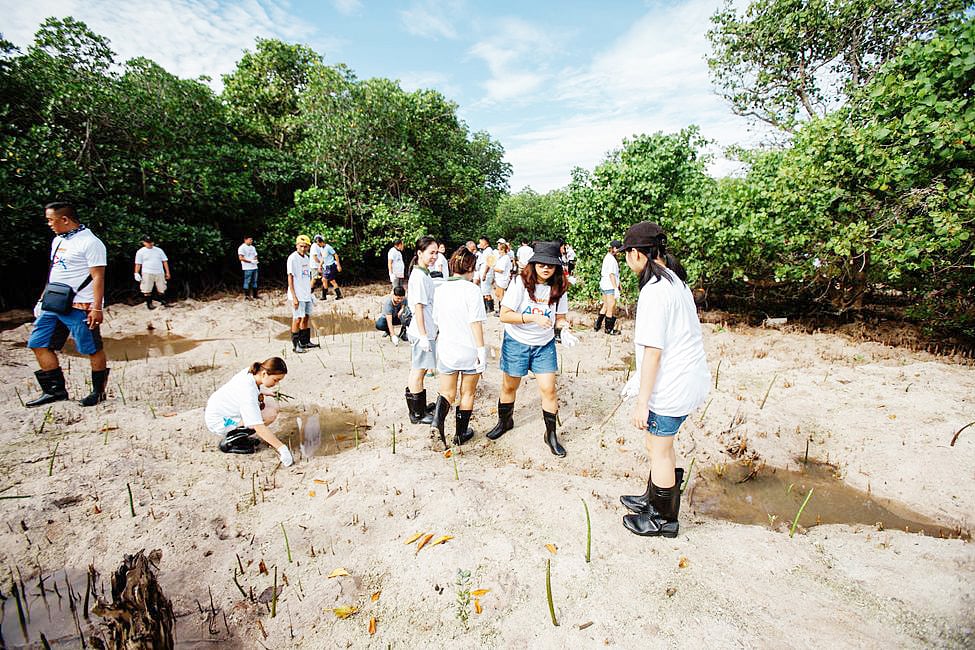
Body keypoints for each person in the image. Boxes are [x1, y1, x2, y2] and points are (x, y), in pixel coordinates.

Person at [618, 222, 709, 538]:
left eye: (626, 254)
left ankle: (663, 519)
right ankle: (653, 498)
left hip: (671, 385)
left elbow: (653, 351)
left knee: (658, 449)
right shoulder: (675, 280)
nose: (627, 260)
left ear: (636, 254)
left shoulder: (654, 292)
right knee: (660, 445)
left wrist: (642, 402)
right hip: (687, 379)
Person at [483, 241, 578, 457]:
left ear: (556, 267)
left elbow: (560, 317)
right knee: (510, 386)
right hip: (517, 341)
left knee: (549, 389)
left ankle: (551, 435)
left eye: (550, 265)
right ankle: (504, 422)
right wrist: (532, 318)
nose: (545, 268)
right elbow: (505, 315)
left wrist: (564, 328)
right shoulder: (520, 283)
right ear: (533, 264)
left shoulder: (560, 287)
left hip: (543, 345)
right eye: (541, 264)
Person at [26, 202, 109, 408]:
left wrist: (97, 307)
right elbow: (54, 273)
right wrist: (42, 299)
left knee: (91, 348)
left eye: (50, 220)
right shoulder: (58, 241)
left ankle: (97, 392)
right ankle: (55, 391)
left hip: (80, 304)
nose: (49, 224)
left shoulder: (91, 242)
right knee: (38, 343)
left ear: (64, 219)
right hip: (53, 303)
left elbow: (98, 277)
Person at [429, 246, 487, 449]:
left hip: (447, 349)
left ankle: (437, 424)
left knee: (447, 392)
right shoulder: (472, 290)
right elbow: (475, 322)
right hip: (469, 350)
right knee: (467, 393)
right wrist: (482, 351)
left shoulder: (440, 290)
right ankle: (460, 434)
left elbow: (436, 320)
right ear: (470, 268)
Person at [204, 357, 295, 467]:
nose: (276, 384)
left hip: (223, 410)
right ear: (264, 373)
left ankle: (240, 436)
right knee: (269, 415)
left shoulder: (252, 371)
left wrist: (262, 391)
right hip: (221, 421)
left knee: (271, 407)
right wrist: (282, 448)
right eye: (275, 380)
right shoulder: (248, 393)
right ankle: (231, 441)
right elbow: (258, 426)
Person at [403, 236, 440, 425]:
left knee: (421, 369)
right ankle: (417, 414)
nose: (434, 256)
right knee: (418, 370)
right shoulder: (418, 276)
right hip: (421, 331)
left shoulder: (425, 274)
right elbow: (418, 307)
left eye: (436, 253)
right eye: (431, 252)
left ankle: (420, 407)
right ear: (419, 253)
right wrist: (424, 336)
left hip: (426, 329)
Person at [287, 235, 319, 354]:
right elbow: (290, 278)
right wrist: (294, 297)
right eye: (301, 246)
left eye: (305, 246)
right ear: (296, 246)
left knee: (306, 317)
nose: (303, 248)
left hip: (306, 293)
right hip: (297, 294)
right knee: (297, 318)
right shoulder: (292, 258)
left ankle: (305, 341)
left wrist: (310, 292)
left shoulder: (307, 258)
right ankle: (296, 345)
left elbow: (307, 276)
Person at [134, 235, 170, 309]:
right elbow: (138, 263)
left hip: (159, 271)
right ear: (144, 242)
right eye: (148, 242)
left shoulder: (159, 250)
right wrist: (136, 273)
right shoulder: (140, 252)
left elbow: (164, 261)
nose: (150, 244)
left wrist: (167, 272)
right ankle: (149, 304)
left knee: (162, 288)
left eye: (151, 242)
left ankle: (164, 302)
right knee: (146, 289)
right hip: (147, 272)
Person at [595, 240, 623, 335]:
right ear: (614, 248)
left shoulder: (607, 257)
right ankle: (608, 329)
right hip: (610, 285)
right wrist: (615, 288)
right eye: (619, 249)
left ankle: (597, 325)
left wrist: (619, 284)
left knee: (606, 305)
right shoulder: (611, 260)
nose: (619, 252)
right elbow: (611, 275)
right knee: (611, 306)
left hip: (604, 284)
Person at [318, 235, 343, 300]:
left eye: (318, 243)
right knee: (328, 280)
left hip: (331, 266)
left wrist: (338, 265)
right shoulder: (321, 248)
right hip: (326, 267)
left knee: (328, 280)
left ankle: (325, 296)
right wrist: (320, 265)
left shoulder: (328, 247)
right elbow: (323, 258)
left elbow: (336, 255)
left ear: (321, 242)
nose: (317, 244)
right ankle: (328, 295)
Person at [476, 237, 496, 314]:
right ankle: (487, 307)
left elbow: (489, 263)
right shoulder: (485, 251)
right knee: (484, 291)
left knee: (486, 291)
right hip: (484, 272)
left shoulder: (489, 250)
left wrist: (485, 273)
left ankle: (490, 308)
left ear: (485, 242)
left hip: (486, 273)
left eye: (481, 242)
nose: (480, 244)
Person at [492, 240, 513, 306]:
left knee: (500, 295)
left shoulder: (505, 258)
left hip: (502, 279)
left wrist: (492, 268)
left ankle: (503, 308)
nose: (498, 251)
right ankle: (501, 307)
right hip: (499, 278)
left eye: (499, 250)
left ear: (503, 250)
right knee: (497, 294)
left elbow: (501, 270)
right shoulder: (502, 257)